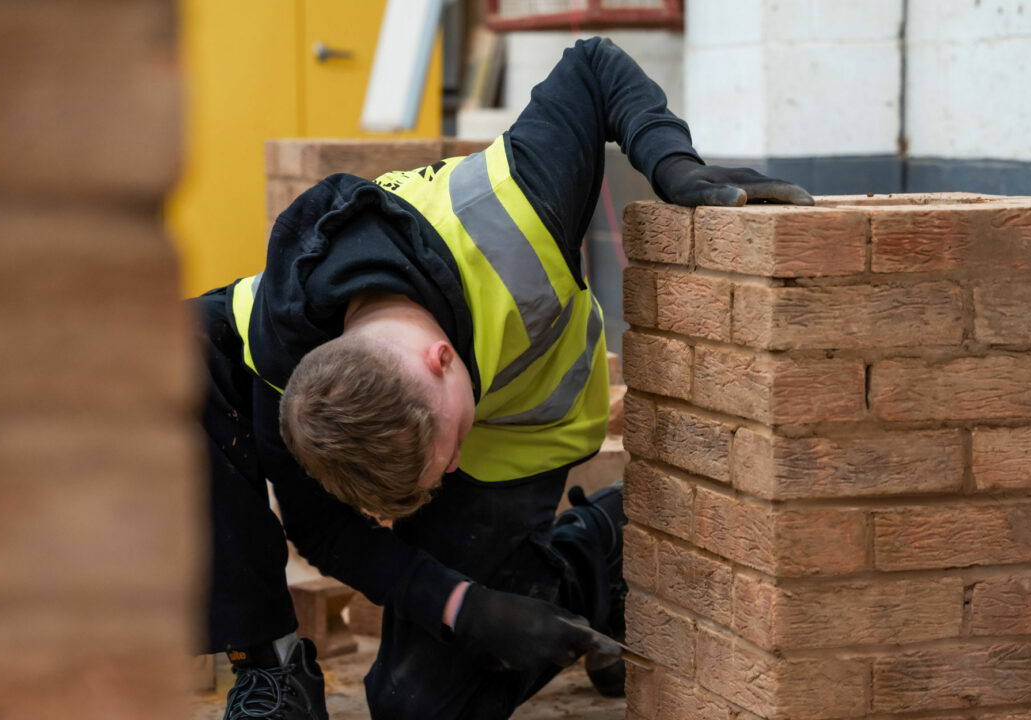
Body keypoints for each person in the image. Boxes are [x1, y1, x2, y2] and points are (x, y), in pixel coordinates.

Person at [193, 37, 814, 720]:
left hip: (524, 433)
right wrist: (465, 607)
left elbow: (594, 64)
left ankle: (600, 555)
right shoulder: (292, 370)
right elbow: (322, 529)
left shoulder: (520, 212)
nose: (451, 465)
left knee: (415, 706)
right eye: (442, 470)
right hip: (395, 389)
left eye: (444, 453)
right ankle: (271, 665)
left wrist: (676, 168)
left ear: (441, 361)